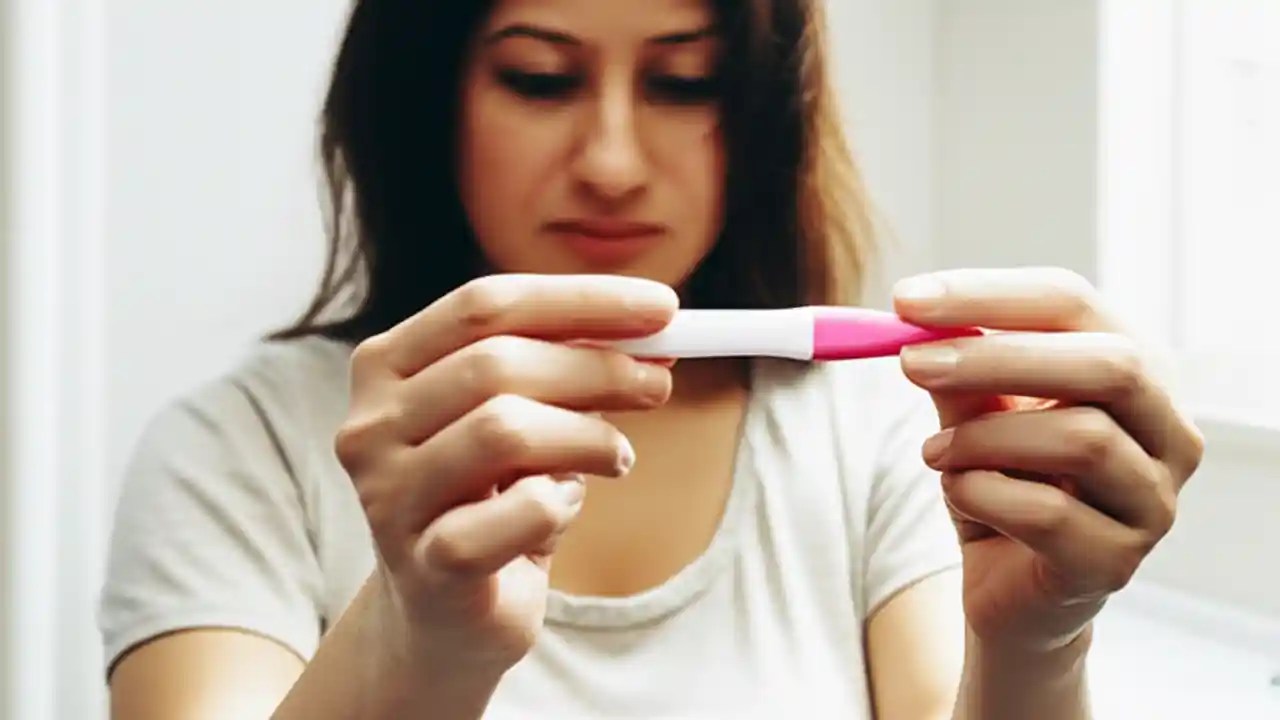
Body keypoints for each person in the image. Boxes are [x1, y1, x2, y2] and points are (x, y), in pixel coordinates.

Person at [99, 1, 1205, 718]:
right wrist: (420, 642)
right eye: (539, 79)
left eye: (684, 84)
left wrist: (1037, 647)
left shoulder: (884, 428)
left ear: (764, 114)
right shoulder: (236, 450)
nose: (614, 164)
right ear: (423, 100)